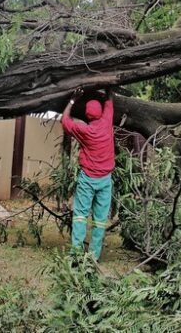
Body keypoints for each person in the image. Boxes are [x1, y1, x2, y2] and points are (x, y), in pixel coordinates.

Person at [61, 88, 115, 260]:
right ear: (100, 113)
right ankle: (94, 256)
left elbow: (65, 121)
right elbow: (110, 100)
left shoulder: (84, 131)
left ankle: (76, 254)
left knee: (80, 216)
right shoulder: (107, 122)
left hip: (87, 179)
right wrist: (108, 86)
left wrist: (72, 100)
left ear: (86, 115)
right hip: (105, 180)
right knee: (99, 220)